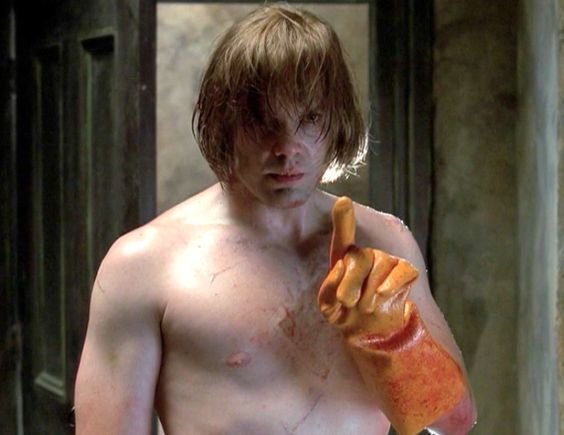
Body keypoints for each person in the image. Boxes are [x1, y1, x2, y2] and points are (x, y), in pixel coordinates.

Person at [74, 4, 477, 434]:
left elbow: (454, 422)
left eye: (309, 118)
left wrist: (395, 337)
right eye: (262, 120)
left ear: (336, 120)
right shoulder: (143, 265)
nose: (287, 147)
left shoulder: (385, 240)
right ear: (224, 122)